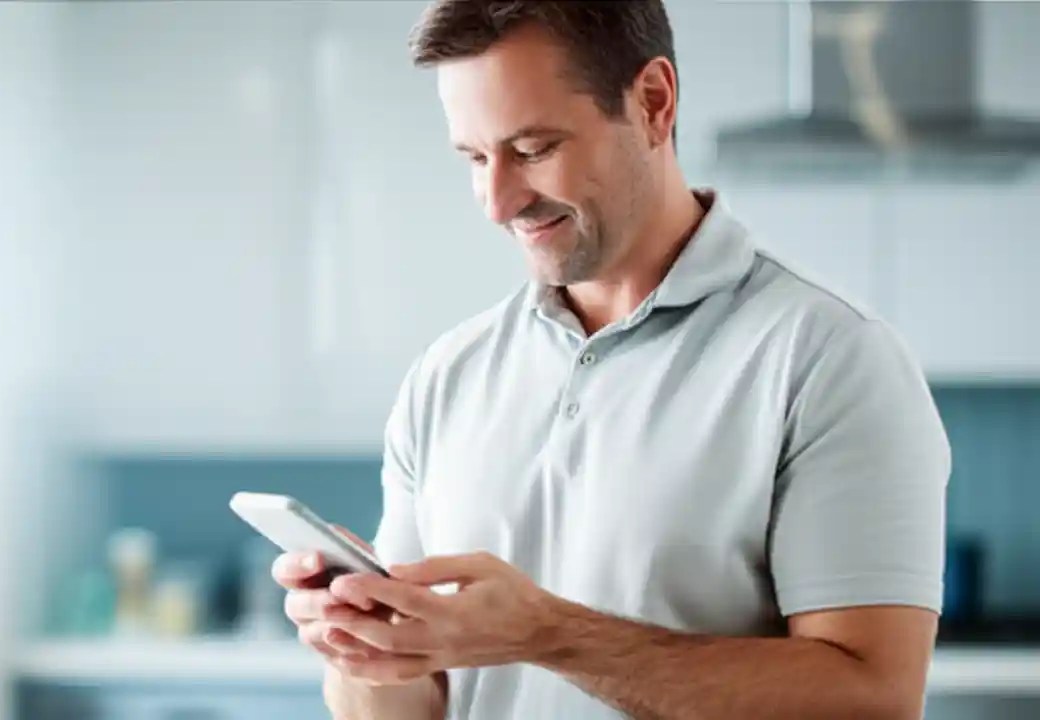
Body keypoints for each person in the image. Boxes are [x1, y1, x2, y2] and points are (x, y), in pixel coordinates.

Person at [273, 1, 950, 718]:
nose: (498, 201)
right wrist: (366, 649)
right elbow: (411, 708)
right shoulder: (448, 375)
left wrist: (548, 635)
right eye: (475, 158)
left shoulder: (829, 359)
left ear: (653, 103)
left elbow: (873, 701)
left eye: (533, 149)